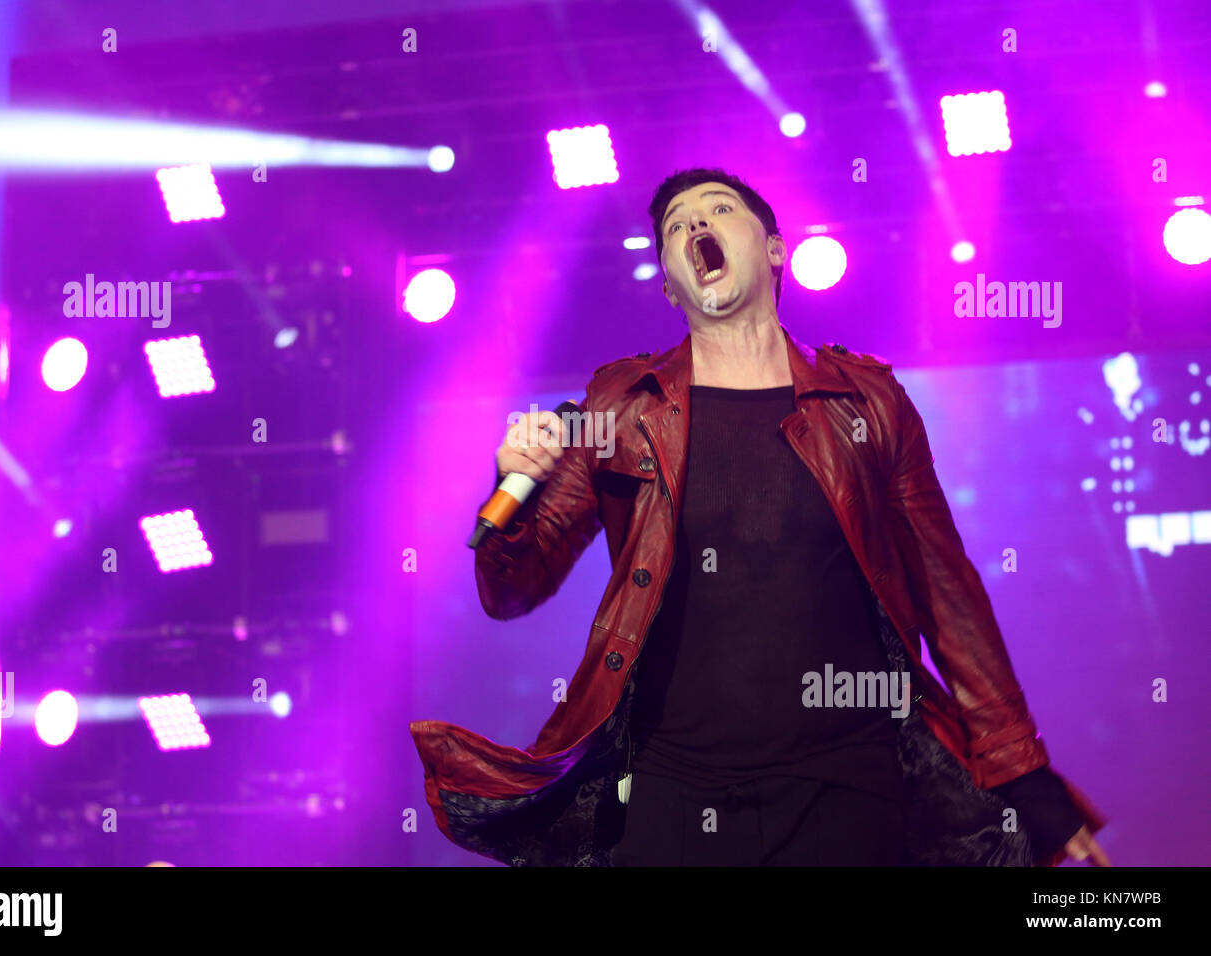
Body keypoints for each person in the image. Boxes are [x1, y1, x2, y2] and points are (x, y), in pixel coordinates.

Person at [410, 167, 1107, 867]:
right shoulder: (621, 407)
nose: (695, 228)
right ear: (668, 284)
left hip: (847, 787)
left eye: (718, 210)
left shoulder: (864, 402)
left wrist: (1024, 775)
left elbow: (948, 594)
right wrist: (513, 495)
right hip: (673, 791)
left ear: (775, 249)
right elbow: (510, 590)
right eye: (676, 226)